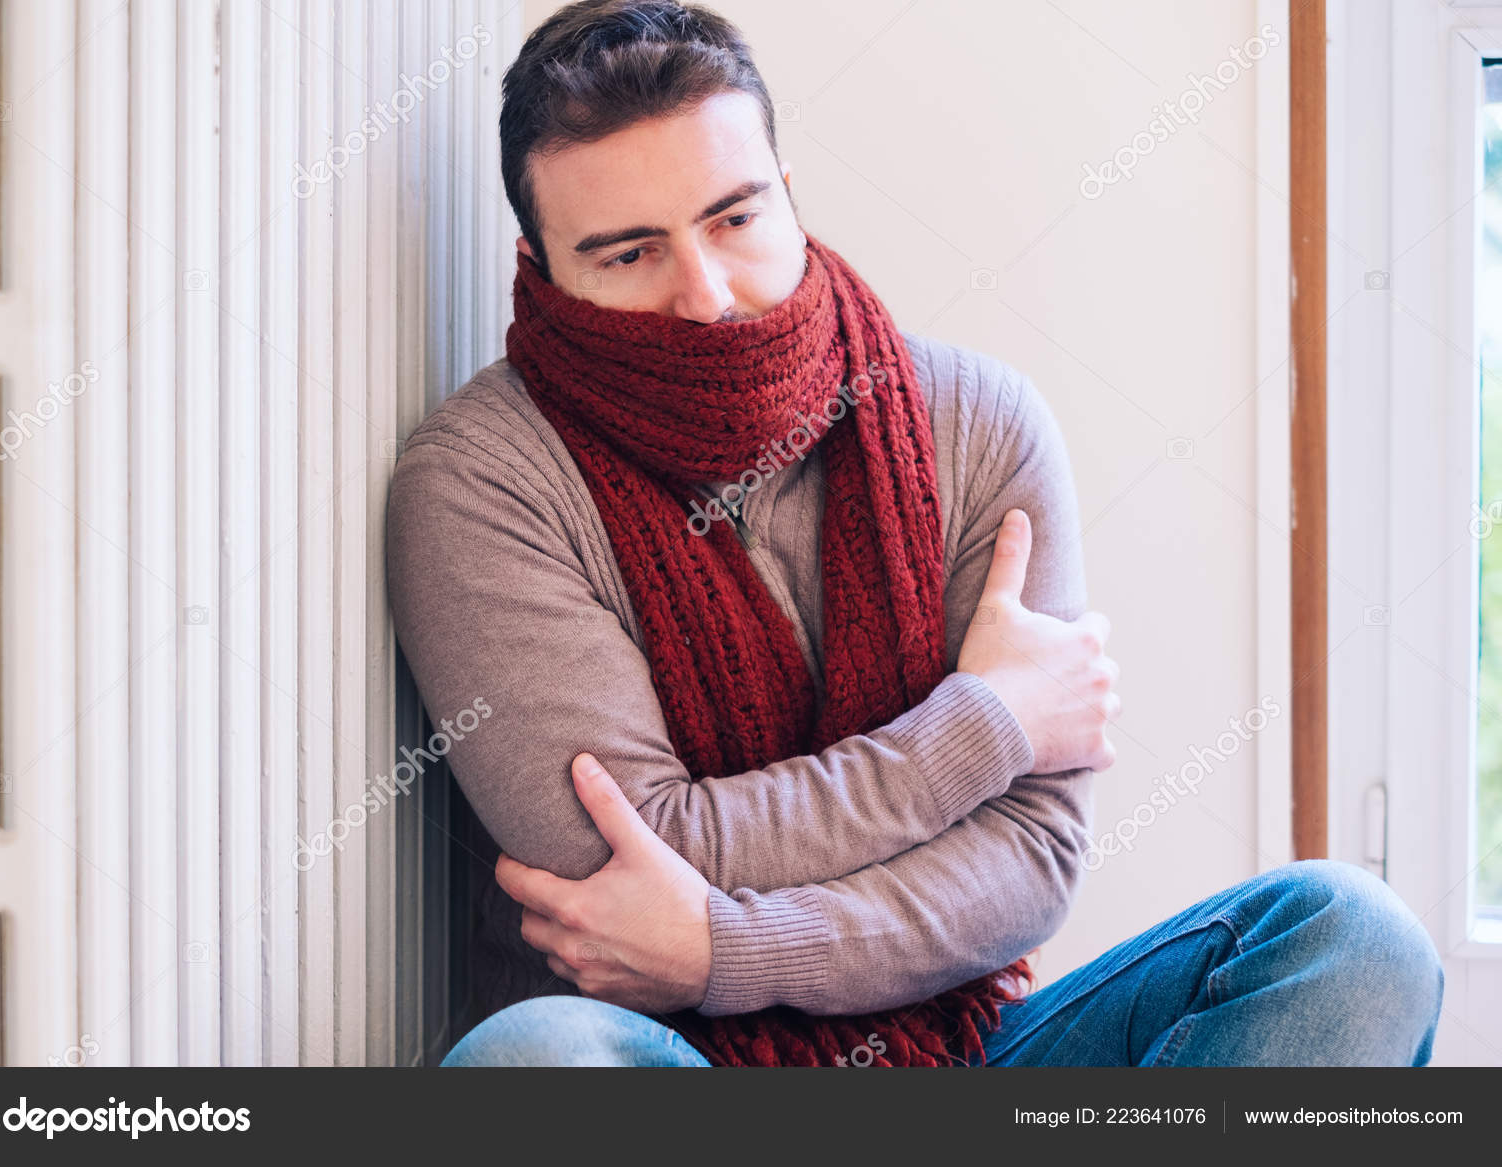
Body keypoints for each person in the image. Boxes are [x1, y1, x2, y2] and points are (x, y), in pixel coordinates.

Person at [386, 0, 1443, 1067]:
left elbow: (1028, 854)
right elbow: (623, 850)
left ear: (787, 198)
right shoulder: (483, 482)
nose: (703, 297)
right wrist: (987, 725)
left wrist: (721, 949)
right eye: (628, 254)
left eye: (735, 220)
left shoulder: (976, 422)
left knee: (1348, 939)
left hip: (960, 1053)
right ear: (539, 262)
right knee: (540, 1058)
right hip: (664, 1055)